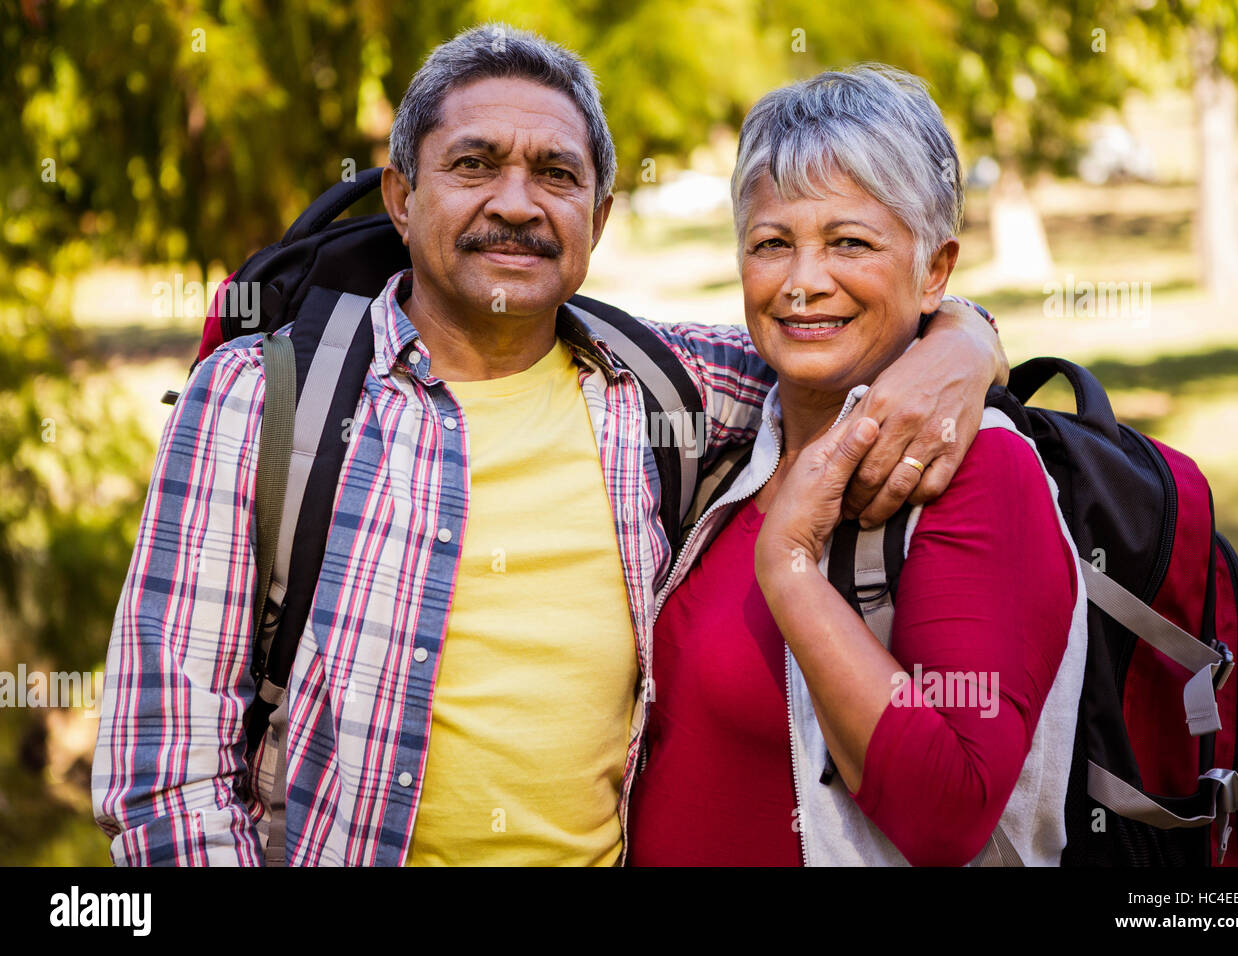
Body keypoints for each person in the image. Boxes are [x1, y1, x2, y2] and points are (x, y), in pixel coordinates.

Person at [91, 25, 1006, 866]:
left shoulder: (666, 388)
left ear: (598, 220)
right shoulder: (261, 401)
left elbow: (843, 333)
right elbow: (165, 782)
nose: (518, 204)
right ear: (403, 199)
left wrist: (963, 337)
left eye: (557, 175)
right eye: (475, 163)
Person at [627, 64, 1088, 866]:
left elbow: (949, 814)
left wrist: (792, 568)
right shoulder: (728, 431)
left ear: (934, 270)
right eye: (773, 244)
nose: (804, 283)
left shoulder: (977, 472)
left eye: (850, 242)